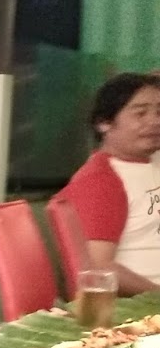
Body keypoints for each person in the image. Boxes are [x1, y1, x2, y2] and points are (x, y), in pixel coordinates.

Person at [53, 71, 160, 295]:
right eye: (140, 113)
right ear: (104, 123)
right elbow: (99, 268)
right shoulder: (102, 181)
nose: (155, 121)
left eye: (159, 112)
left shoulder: (149, 165)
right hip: (141, 307)